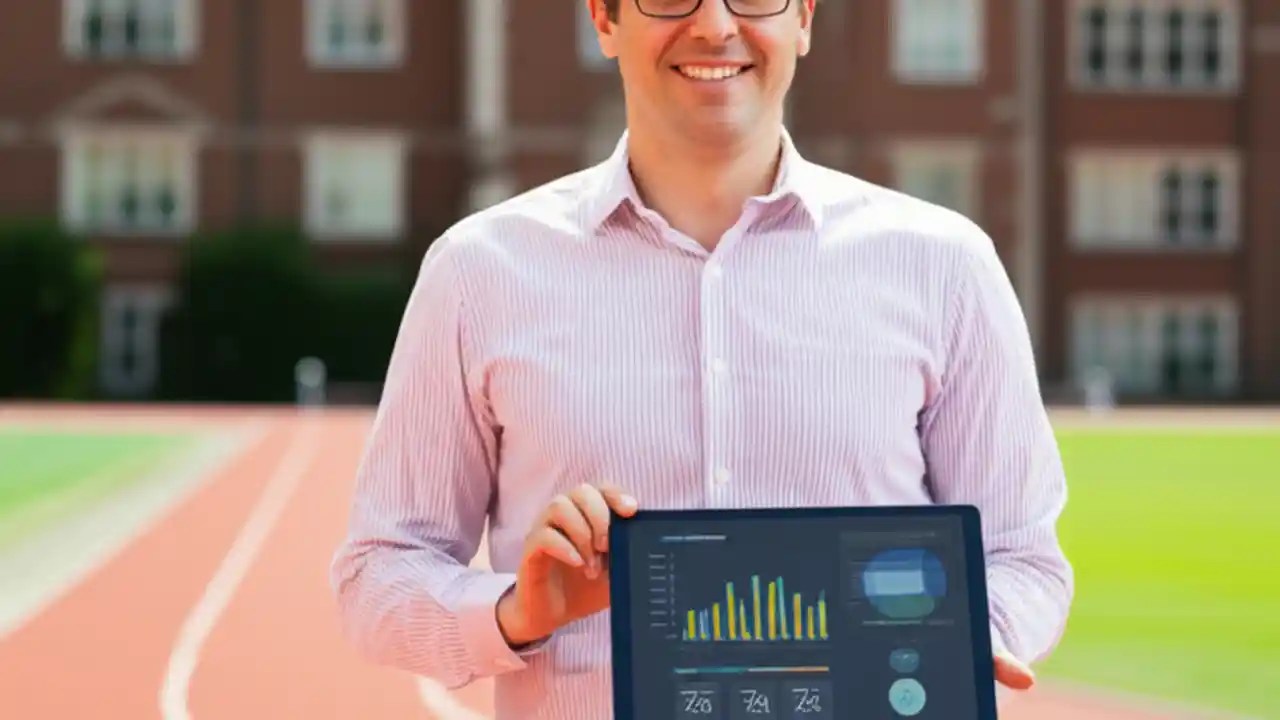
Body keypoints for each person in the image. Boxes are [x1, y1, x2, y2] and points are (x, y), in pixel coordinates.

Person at [329, 0, 1074, 717]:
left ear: (804, 17)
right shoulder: (477, 272)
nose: (715, 25)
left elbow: (1022, 556)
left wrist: (970, 639)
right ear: (604, 19)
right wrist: (513, 611)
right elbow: (380, 573)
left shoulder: (945, 267)